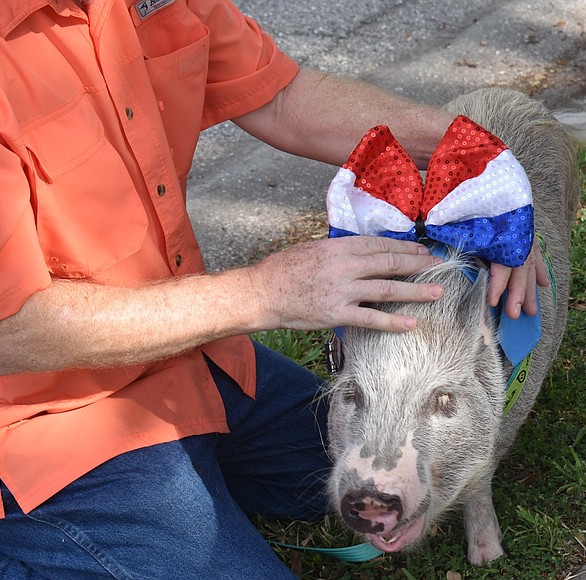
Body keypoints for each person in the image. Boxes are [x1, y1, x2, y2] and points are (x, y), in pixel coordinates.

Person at [0, 0, 547, 577]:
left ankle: (196, 479)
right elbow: (13, 331)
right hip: (41, 428)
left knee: (394, 465)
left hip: (184, 356)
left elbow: (283, 99)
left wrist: (488, 177)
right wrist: (263, 294)